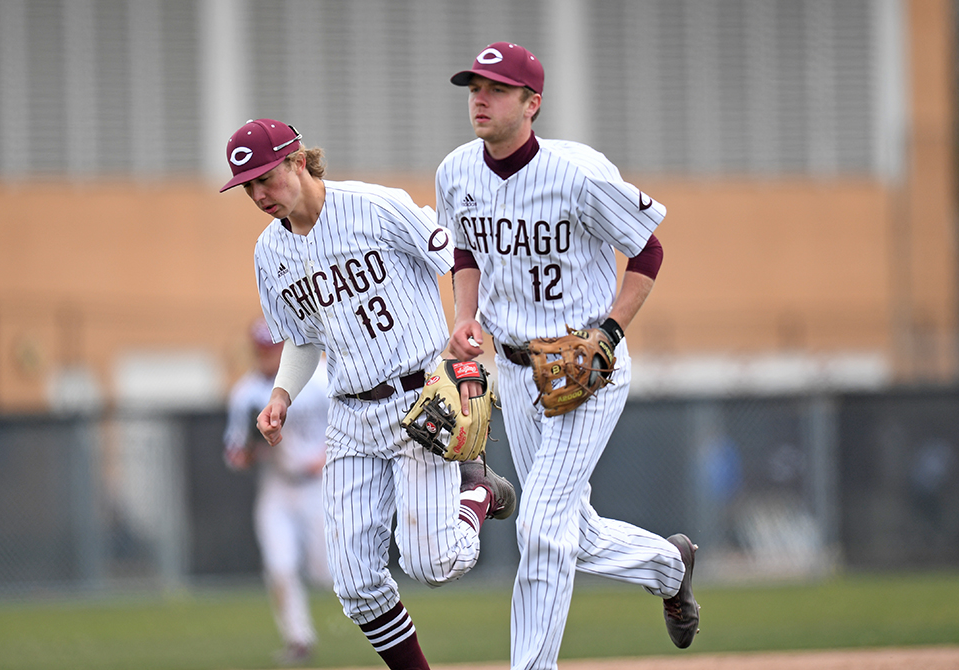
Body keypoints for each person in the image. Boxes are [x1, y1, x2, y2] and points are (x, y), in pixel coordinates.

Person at [436, 42, 701, 669]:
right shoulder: (455, 172)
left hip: (587, 369)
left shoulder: (578, 172)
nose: (480, 97)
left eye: (496, 88)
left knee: (538, 529)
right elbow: (466, 253)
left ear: (532, 103)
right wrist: (464, 319)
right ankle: (669, 565)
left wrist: (610, 333)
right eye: (474, 86)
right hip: (520, 372)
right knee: (567, 530)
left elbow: (648, 250)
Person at [219, 118, 516, 670]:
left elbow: (458, 259)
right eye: (247, 186)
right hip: (350, 412)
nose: (259, 194)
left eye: (265, 177)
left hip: (422, 398)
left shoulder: (376, 207)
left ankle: (480, 495)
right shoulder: (268, 252)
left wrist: (465, 323)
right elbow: (302, 339)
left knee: (434, 564)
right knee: (354, 583)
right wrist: (281, 396)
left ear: (298, 160)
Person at [223, 317, 331, 665]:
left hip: (320, 484)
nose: (266, 357)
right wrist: (247, 452)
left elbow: (351, 422)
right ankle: (299, 639)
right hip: (277, 487)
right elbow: (236, 453)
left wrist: (325, 457)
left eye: (272, 349)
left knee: (325, 572)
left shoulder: (318, 378)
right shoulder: (246, 394)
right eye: (261, 351)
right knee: (279, 567)